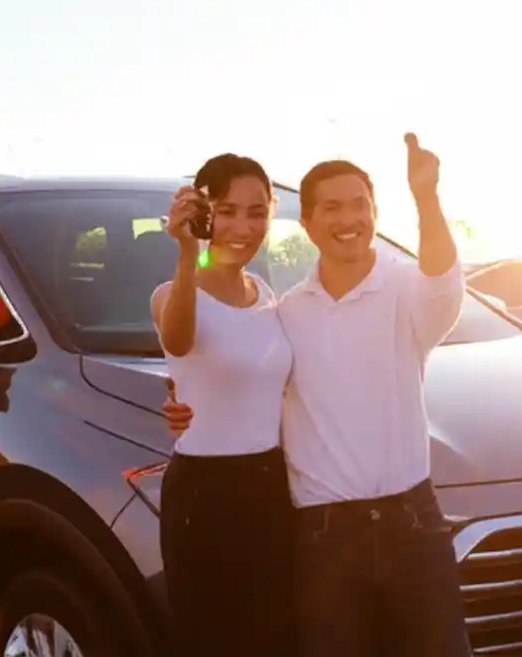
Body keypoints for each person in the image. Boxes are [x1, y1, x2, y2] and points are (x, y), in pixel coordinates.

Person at [163, 134, 471, 656]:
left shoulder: (406, 290)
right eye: (330, 207)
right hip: (320, 534)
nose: (346, 219)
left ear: (375, 213)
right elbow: (234, 368)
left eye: (359, 205)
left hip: (411, 524)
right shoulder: (287, 311)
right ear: (305, 223)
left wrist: (426, 199)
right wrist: (184, 397)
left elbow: (442, 281)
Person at [149, 153, 295, 656]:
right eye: (228, 211)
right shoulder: (173, 292)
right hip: (205, 495)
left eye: (257, 212)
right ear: (204, 212)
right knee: (214, 640)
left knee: (275, 636)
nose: (244, 226)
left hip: (272, 486)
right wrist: (188, 252)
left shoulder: (267, 294)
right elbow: (179, 342)